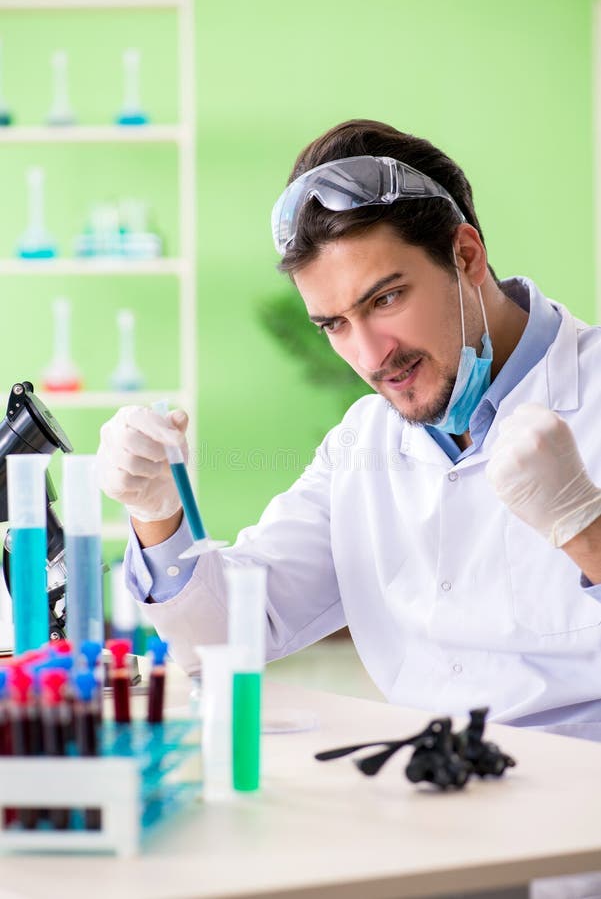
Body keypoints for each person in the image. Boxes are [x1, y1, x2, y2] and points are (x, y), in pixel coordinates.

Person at [97, 118, 601, 740]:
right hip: (429, 779)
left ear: (466, 256)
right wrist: (158, 514)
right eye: (334, 324)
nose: (370, 355)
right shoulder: (361, 444)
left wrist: (585, 527)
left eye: (385, 299)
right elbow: (225, 637)